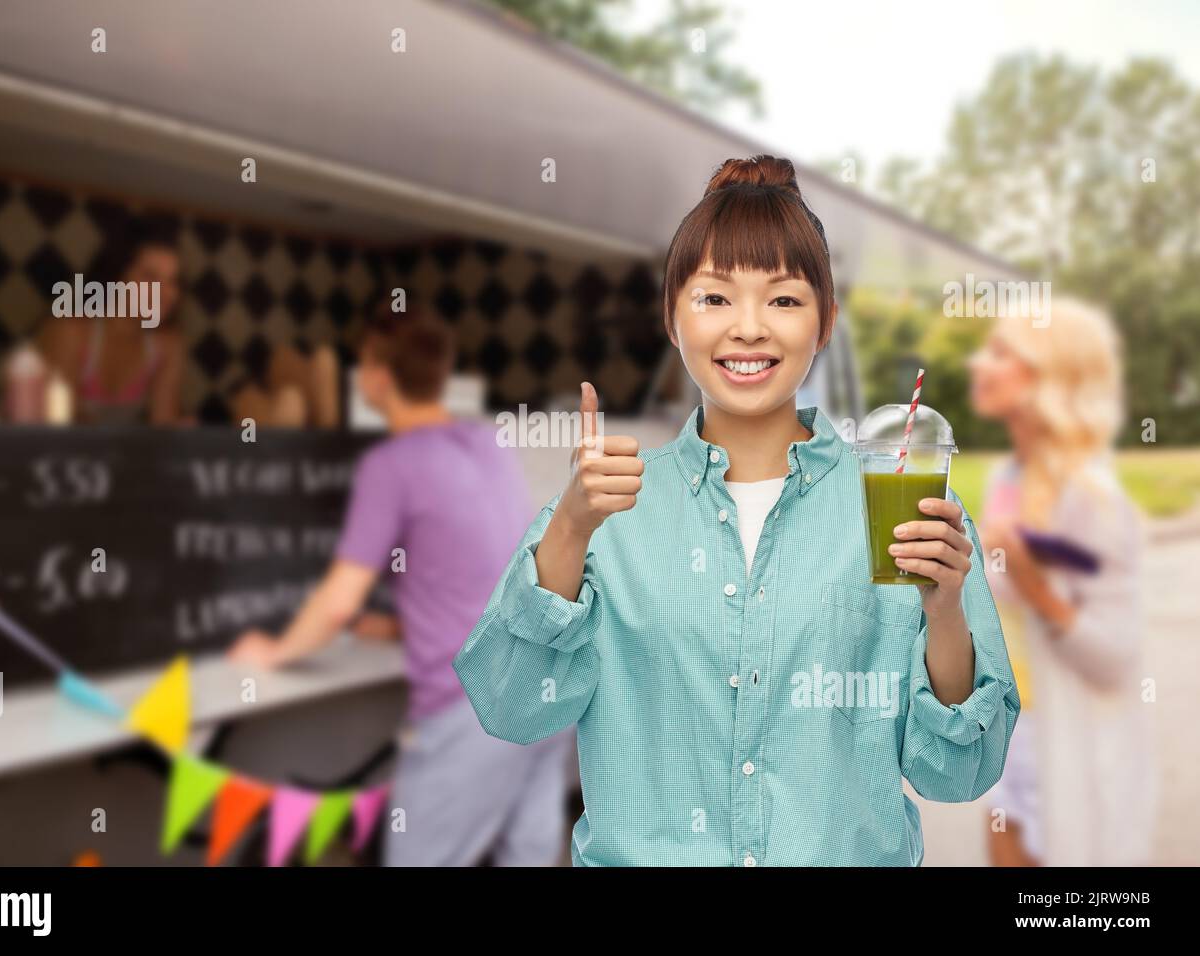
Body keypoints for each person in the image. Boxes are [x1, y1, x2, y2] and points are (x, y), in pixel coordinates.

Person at [453, 154, 1021, 866]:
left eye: (783, 300)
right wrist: (568, 529)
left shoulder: (905, 504)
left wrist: (943, 611)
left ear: (825, 320)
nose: (748, 329)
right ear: (671, 317)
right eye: (714, 298)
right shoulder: (603, 512)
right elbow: (510, 709)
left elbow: (957, 772)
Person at [229, 308, 573, 866]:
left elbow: (339, 600)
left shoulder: (392, 465)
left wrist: (274, 650)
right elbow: (485, 571)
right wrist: (394, 627)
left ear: (380, 378)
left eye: (362, 362)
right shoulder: (485, 444)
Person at [970, 297, 1154, 866]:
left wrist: (1035, 586)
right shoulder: (1006, 478)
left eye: (1001, 352)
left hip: (1071, 752)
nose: (978, 364)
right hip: (1013, 739)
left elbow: (1117, 657)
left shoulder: (1092, 498)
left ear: (1047, 376)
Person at [38, 216, 186, 425]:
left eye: (173, 281)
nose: (167, 293)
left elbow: (163, 426)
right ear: (117, 277)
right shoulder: (71, 331)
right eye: (150, 277)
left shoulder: (168, 345)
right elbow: (58, 423)